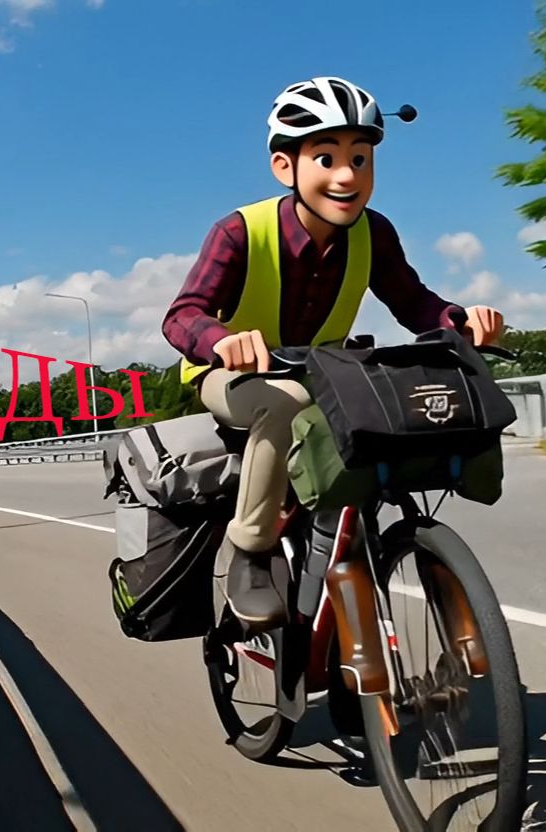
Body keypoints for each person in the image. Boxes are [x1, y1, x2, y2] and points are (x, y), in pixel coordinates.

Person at [161, 76, 505, 630]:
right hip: (231, 376)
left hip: (324, 371)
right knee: (284, 402)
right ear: (285, 167)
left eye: (360, 159)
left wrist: (459, 321)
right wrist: (222, 341)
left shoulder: (374, 232)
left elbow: (413, 301)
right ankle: (251, 551)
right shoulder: (240, 231)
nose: (347, 176)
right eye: (326, 159)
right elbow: (181, 315)